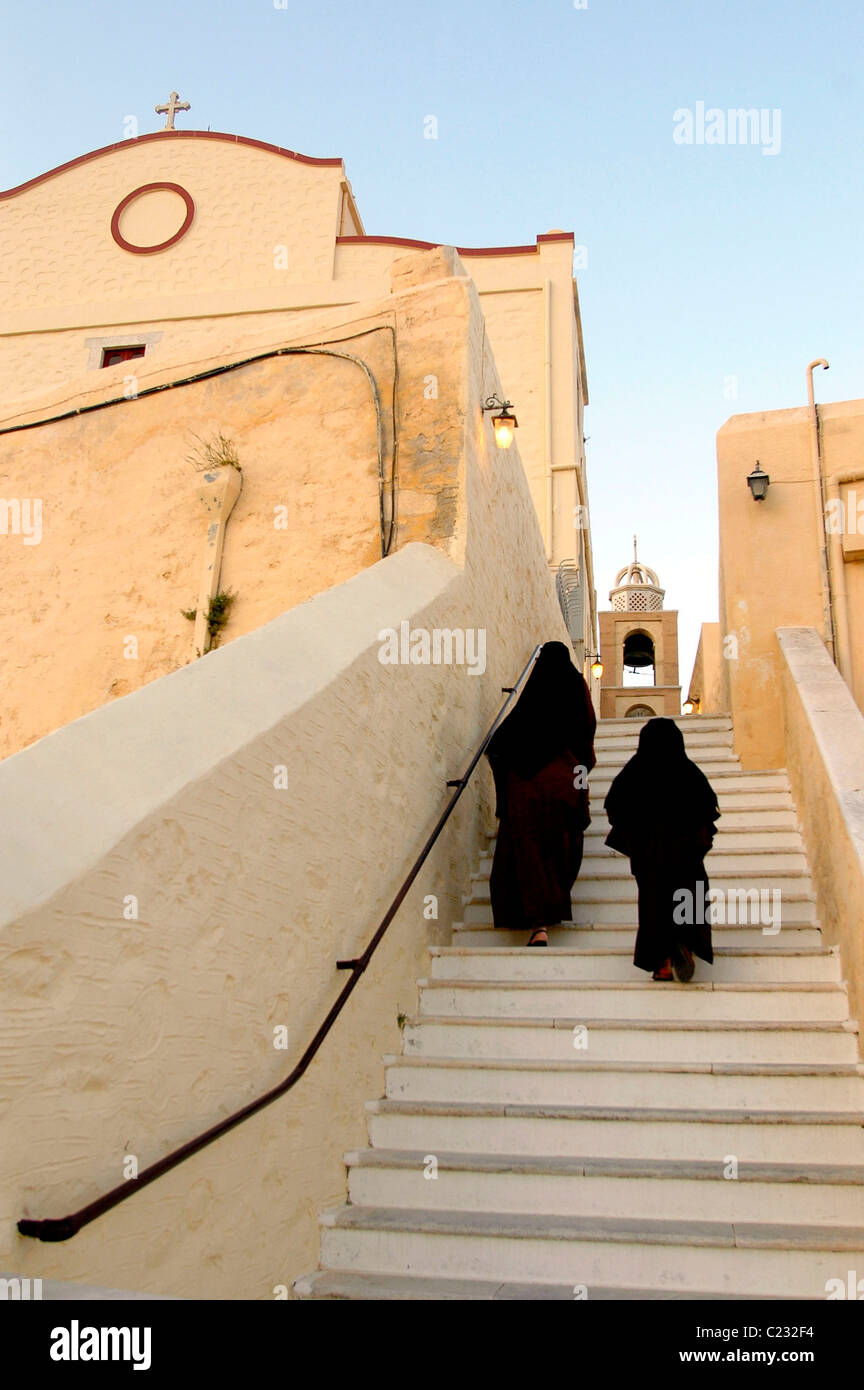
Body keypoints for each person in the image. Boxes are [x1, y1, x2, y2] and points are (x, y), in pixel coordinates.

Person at [485, 641, 596, 947]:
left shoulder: (531, 696)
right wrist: (582, 775)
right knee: (562, 848)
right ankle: (551, 909)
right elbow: (586, 732)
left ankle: (537, 924)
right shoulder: (575, 685)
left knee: (528, 851)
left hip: (524, 784)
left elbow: (498, 745)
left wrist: (506, 791)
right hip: (563, 781)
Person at [603, 717, 720, 982]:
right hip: (685, 852)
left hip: (649, 853)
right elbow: (708, 809)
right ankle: (686, 944)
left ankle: (663, 963)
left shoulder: (635, 770)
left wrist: (634, 837)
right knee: (690, 897)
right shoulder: (688, 770)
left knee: (653, 904)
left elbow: (614, 806)